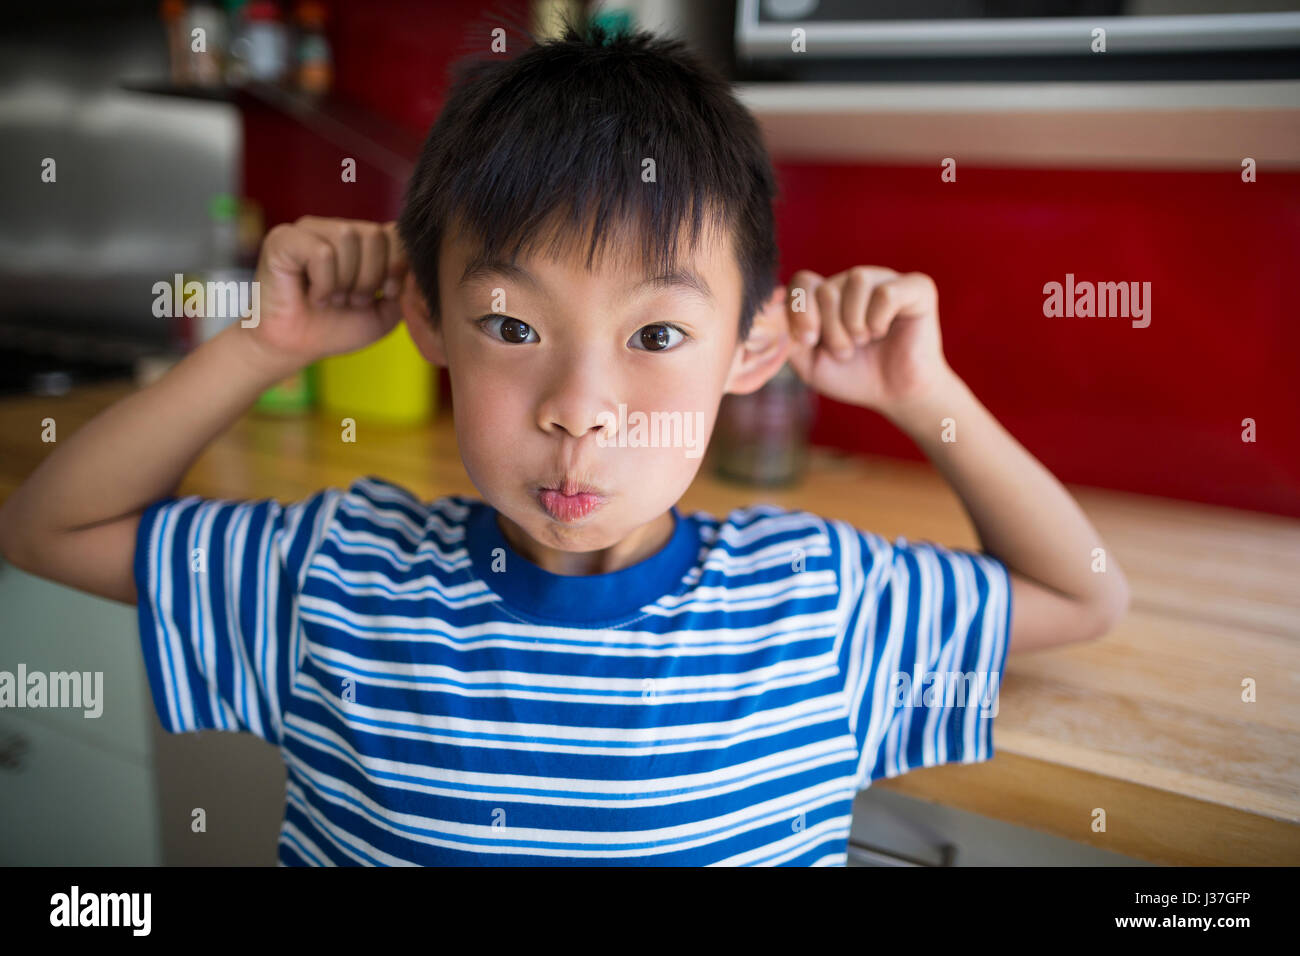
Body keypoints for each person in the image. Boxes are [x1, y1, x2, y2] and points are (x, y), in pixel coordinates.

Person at [0, 19, 1129, 865]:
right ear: (429, 319)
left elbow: (1080, 595)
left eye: (655, 332)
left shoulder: (818, 602)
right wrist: (260, 345)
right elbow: (48, 528)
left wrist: (922, 390)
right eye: (512, 324)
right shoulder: (339, 574)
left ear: (748, 350)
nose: (580, 406)